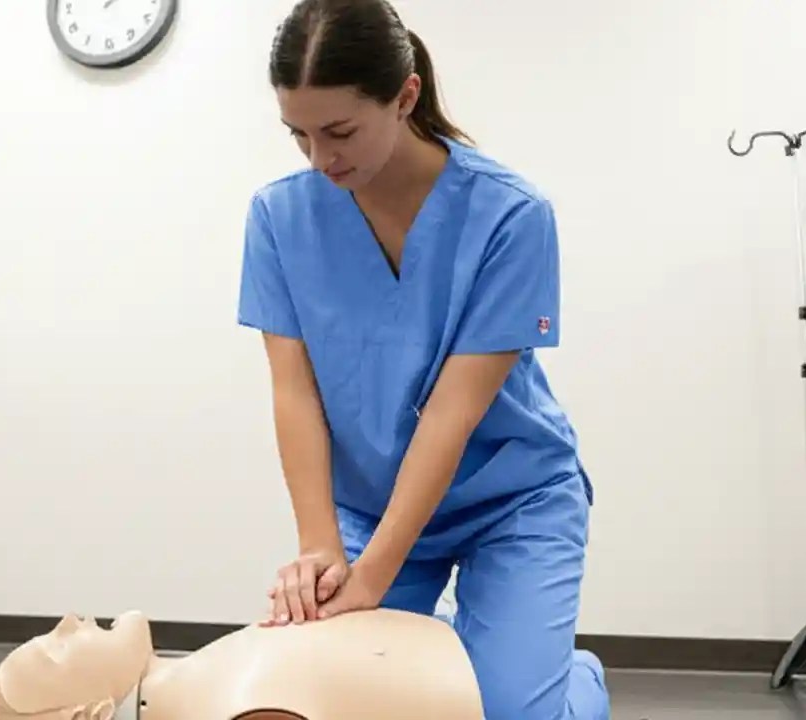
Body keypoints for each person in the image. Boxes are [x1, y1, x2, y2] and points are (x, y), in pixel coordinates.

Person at [236, 1, 611, 718]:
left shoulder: (510, 216)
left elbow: (453, 412)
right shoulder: (278, 218)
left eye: (339, 131)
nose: (321, 159)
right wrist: (321, 552)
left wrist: (373, 578)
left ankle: (573, 679)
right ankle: (466, 650)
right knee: (333, 698)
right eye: (300, 135)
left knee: (509, 712)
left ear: (405, 97)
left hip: (510, 499)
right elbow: (295, 395)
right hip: (368, 506)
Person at [0, 608, 483, 719]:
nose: (68, 622)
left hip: (453, 648)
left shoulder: (197, 685)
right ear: (92, 715)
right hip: (485, 687)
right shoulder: (220, 709)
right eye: (54, 650)